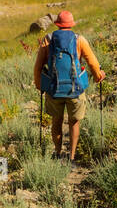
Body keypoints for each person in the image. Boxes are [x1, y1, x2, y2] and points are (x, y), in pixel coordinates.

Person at [33, 9, 105, 162]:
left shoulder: (48, 39)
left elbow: (38, 67)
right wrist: (99, 76)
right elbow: (92, 62)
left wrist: (40, 85)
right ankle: (71, 157)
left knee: (56, 121)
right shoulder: (79, 39)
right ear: (71, 24)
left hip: (54, 90)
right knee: (74, 122)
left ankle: (58, 153)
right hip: (75, 90)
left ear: (57, 24)